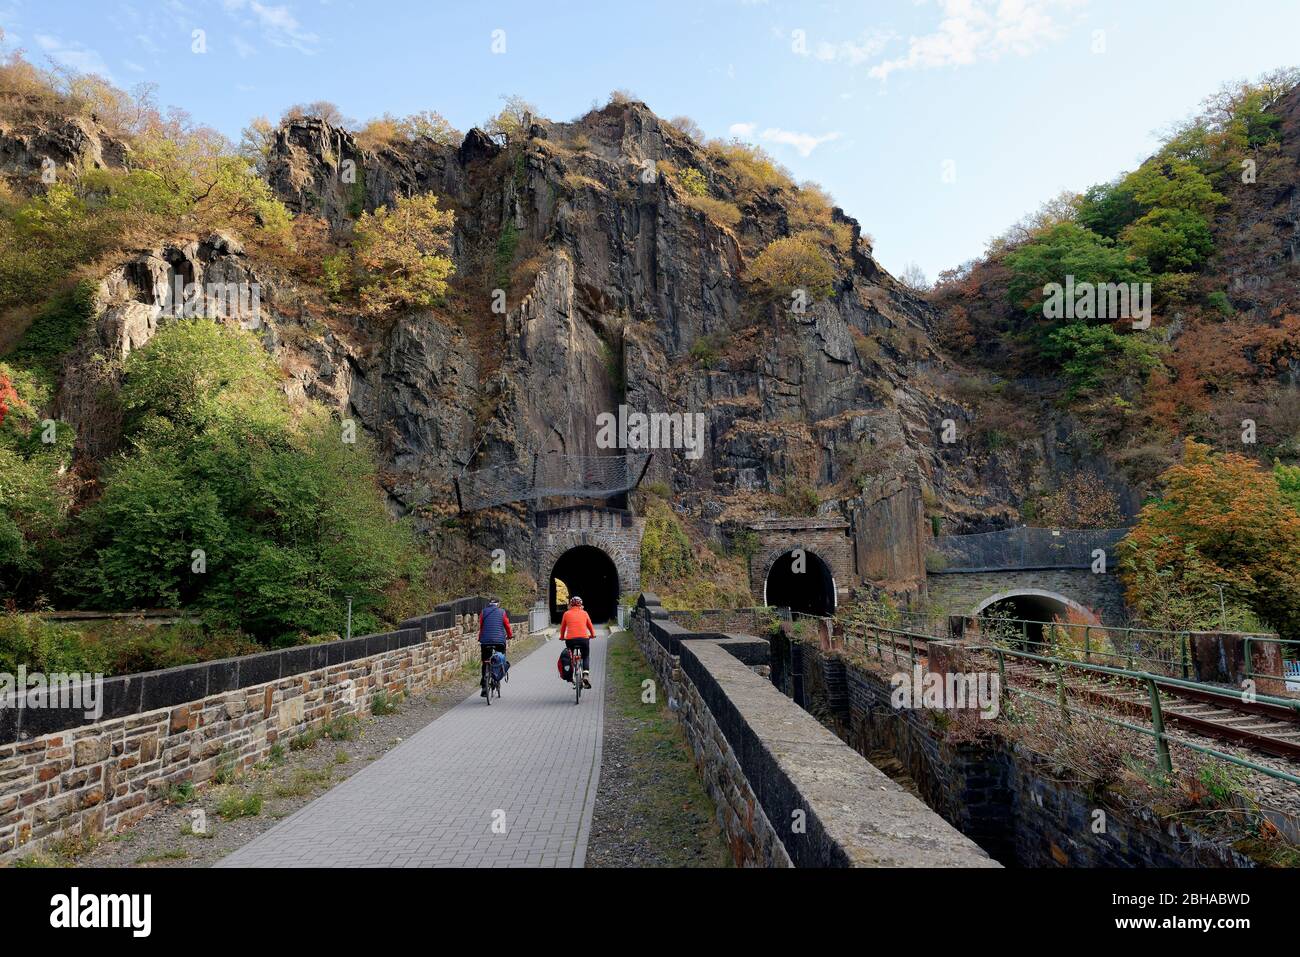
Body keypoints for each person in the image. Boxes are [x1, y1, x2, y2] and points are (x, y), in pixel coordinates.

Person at [559, 595, 595, 689]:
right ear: (581, 604)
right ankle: (585, 674)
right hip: (584, 639)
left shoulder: (566, 614)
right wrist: (592, 635)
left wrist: (562, 637)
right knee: (585, 655)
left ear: (571, 604)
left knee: (571, 657)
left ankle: (572, 674)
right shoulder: (584, 613)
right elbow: (590, 626)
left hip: (570, 640)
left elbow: (563, 628)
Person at [479, 598, 512, 697]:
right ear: (498, 604)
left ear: (489, 604)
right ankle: (497, 676)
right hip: (499, 641)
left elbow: (481, 626)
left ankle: (484, 683)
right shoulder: (502, 612)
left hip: (485, 641)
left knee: (485, 661)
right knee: (501, 657)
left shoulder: (483, 612)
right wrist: (510, 635)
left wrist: (481, 638)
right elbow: (507, 625)